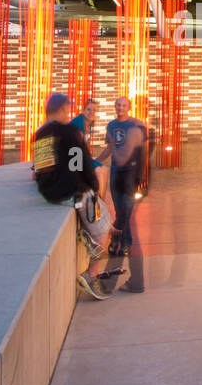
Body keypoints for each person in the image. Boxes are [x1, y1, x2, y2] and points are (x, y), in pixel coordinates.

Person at [32, 91, 107, 300]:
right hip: (73, 193)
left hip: (50, 193)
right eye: (67, 108)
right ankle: (91, 278)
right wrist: (93, 189)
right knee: (104, 231)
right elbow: (81, 165)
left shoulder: (41, 133)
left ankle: (85, 234)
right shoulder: (70, 132)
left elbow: (40, 168)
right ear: (63, 109)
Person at [99, 96, 147, 293]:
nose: (120, 107)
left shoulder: (137, 125)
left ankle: (110, 284)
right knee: (122, 224)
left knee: (122, 229)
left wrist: (141, 179)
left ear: (129, 107)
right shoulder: (111, 126)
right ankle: (133, 282)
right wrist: (94, 161)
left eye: (124, 105)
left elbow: (142, 152)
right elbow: (110, 148)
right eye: (118, 104)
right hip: (116, 176)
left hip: (129, 177)